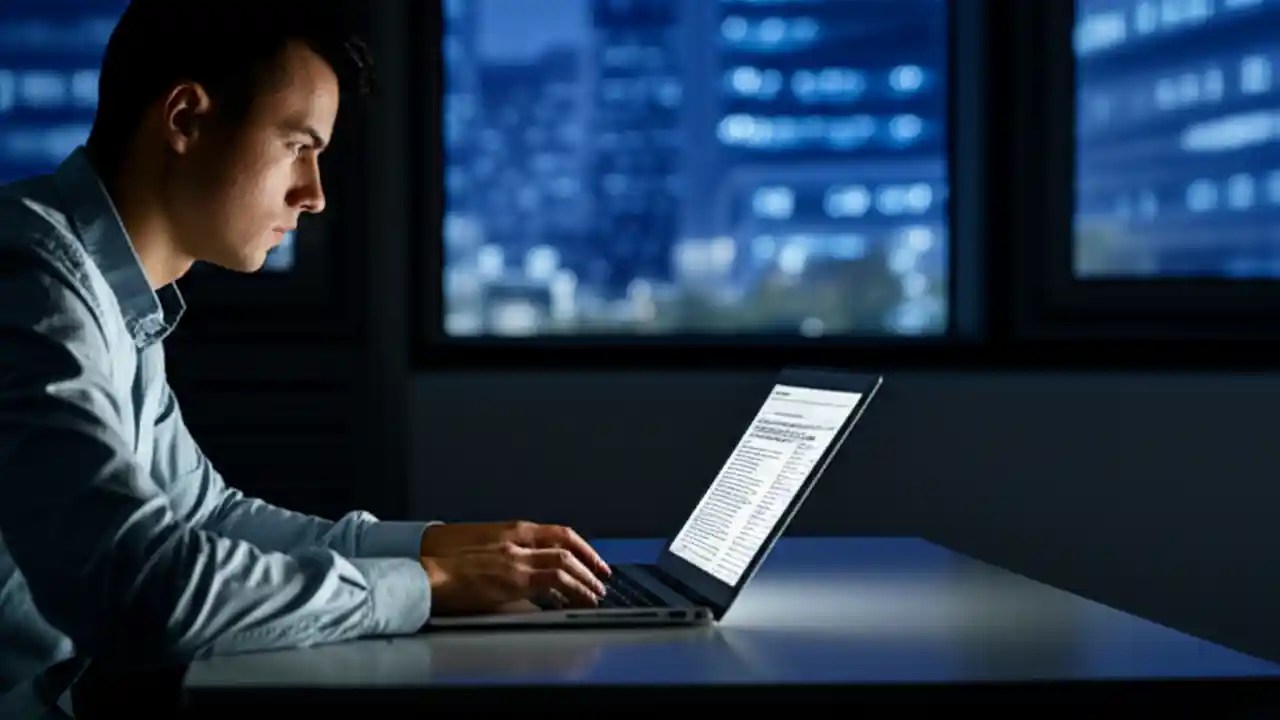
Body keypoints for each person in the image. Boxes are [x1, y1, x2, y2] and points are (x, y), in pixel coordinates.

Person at [0, 1, 610, 716]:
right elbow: (139, 590)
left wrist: (442, 549)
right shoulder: (32, 277)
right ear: (185, 119)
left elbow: (206, 517)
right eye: (297, 146)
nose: (314, 195)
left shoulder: (117, 296)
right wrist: (431, 586)